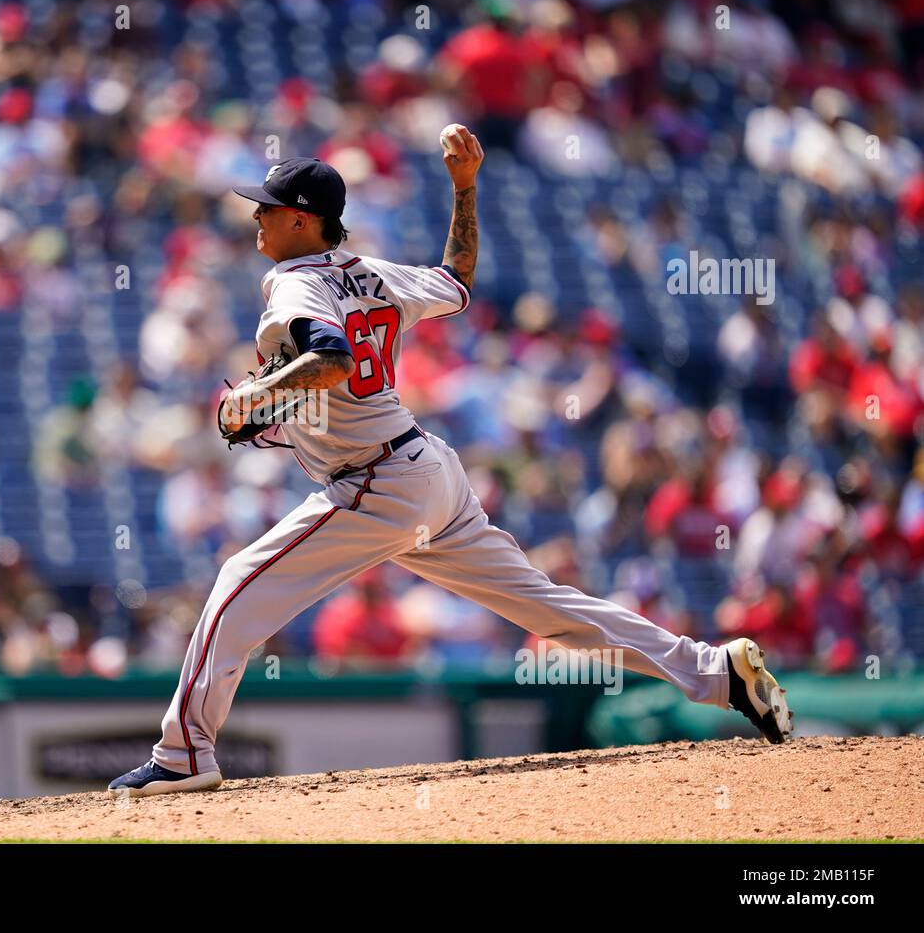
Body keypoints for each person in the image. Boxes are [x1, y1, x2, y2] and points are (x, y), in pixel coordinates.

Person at [108, 135, 796, 798]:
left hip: (377, 482)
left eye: (266, 207)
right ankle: (714, 672)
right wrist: (464, 189)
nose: (255, 216)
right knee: (551, 610)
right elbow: (456, 280)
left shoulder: (290, 285)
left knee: (235, 582)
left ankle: (182, 755)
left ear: (301, 219)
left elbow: (334, 360)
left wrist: (260, 394)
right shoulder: (371, 272)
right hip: (428, 473)